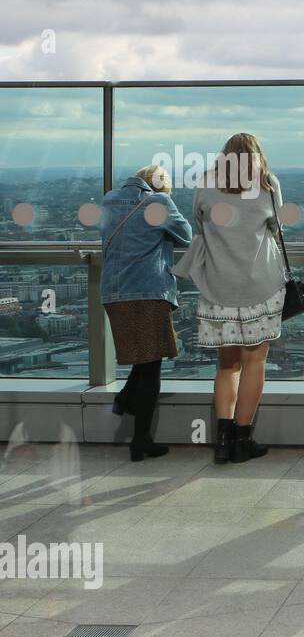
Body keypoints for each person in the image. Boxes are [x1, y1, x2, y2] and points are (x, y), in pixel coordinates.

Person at [174, 133, 287, 464]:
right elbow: (277, 227)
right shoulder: (267, 183)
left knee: (227, 365)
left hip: (218, 287)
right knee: (255, 362)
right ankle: (242, 439)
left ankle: (221, 442)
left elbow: (199, 221)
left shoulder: (207, 184)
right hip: (260, 287)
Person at [99, 164, 192, 461]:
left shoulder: (109, 200)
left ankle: (125, 398)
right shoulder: (158, 202)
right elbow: (186, 235)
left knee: (145, 355)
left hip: (113, 292)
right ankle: (140, 439)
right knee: (151, 365)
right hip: (148, 291)